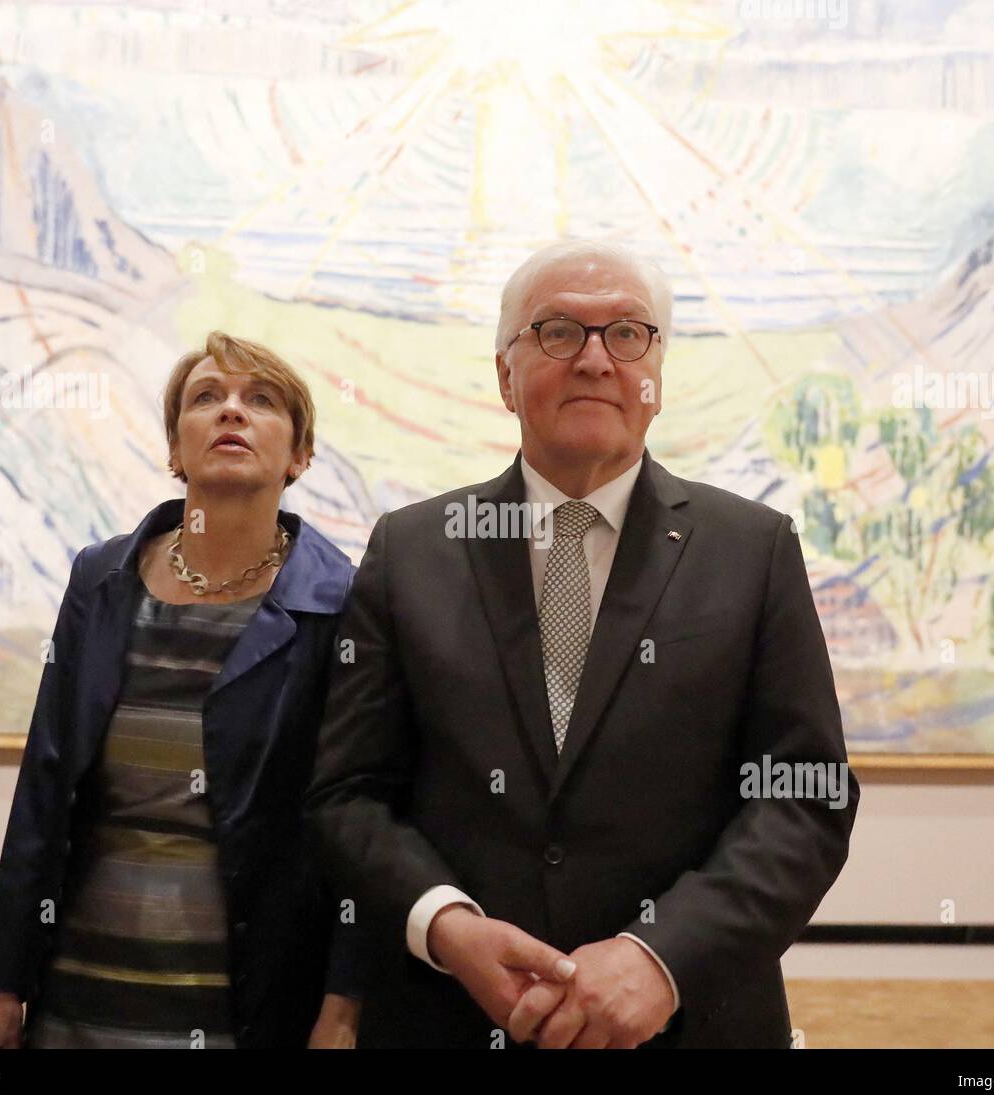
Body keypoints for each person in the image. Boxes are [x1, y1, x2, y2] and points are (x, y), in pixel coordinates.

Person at [306, 239, 859, 1049]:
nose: (597, 359)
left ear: (656, 378)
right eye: (559, 331)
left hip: (689, 1020)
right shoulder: (412, 550)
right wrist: (448, 925)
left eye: (628, 334)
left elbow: (805, 795)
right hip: (451, 1017)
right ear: (505, 374)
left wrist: (660, 958)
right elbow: (346, 794)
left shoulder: (754, 549)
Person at [0, 332, 363, 1049]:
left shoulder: (338, 603)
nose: (231, 411)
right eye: (207, 398)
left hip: (247, 1011)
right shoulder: (101, 580)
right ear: (176, 448)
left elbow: (359, 821)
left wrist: (344, 1008)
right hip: (77, 999)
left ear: (299, 455)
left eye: (259, 400)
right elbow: (43, 792)